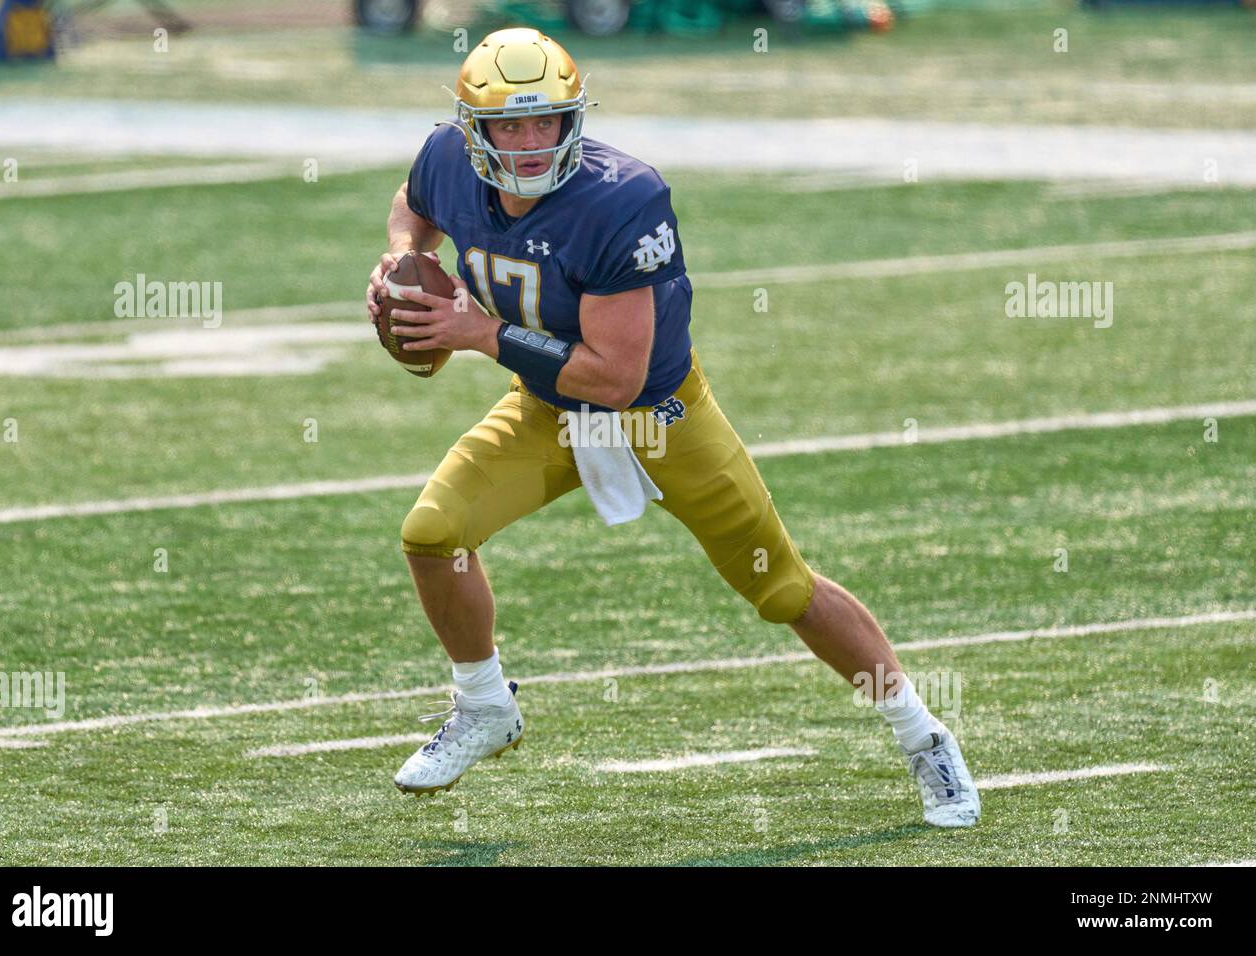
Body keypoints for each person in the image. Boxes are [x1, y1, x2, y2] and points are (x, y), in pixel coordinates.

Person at [365, 27, 980, 827]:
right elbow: (414, 206)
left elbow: (614, 376)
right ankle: (485, 707)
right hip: (548, 411)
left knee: (781, 587)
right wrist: (400, 260)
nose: (526, 141)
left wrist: (480, 332)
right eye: (507, 126)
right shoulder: (446, 158)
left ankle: (921, 734)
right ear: (473, 132)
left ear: (571, 120)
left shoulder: (622, 199)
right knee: (431, 533)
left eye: (544, 121)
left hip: (659, 418)